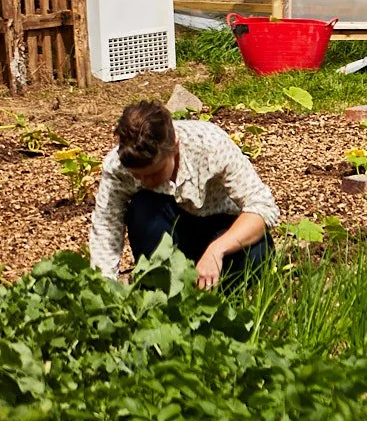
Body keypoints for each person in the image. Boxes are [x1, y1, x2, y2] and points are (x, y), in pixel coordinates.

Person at [88, 101, 279, 290]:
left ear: (175, 146)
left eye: (155, 173)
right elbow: (106, 225)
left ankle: (218, 299)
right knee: (142, 207)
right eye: (137, 176)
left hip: (222, 226)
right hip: (168, 228)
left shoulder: (210, 144)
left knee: (257, 252)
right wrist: (104, 289)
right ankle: (161, 291)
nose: (146, 182)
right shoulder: (116, 167)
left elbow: (262, 207)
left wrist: (217, 250)